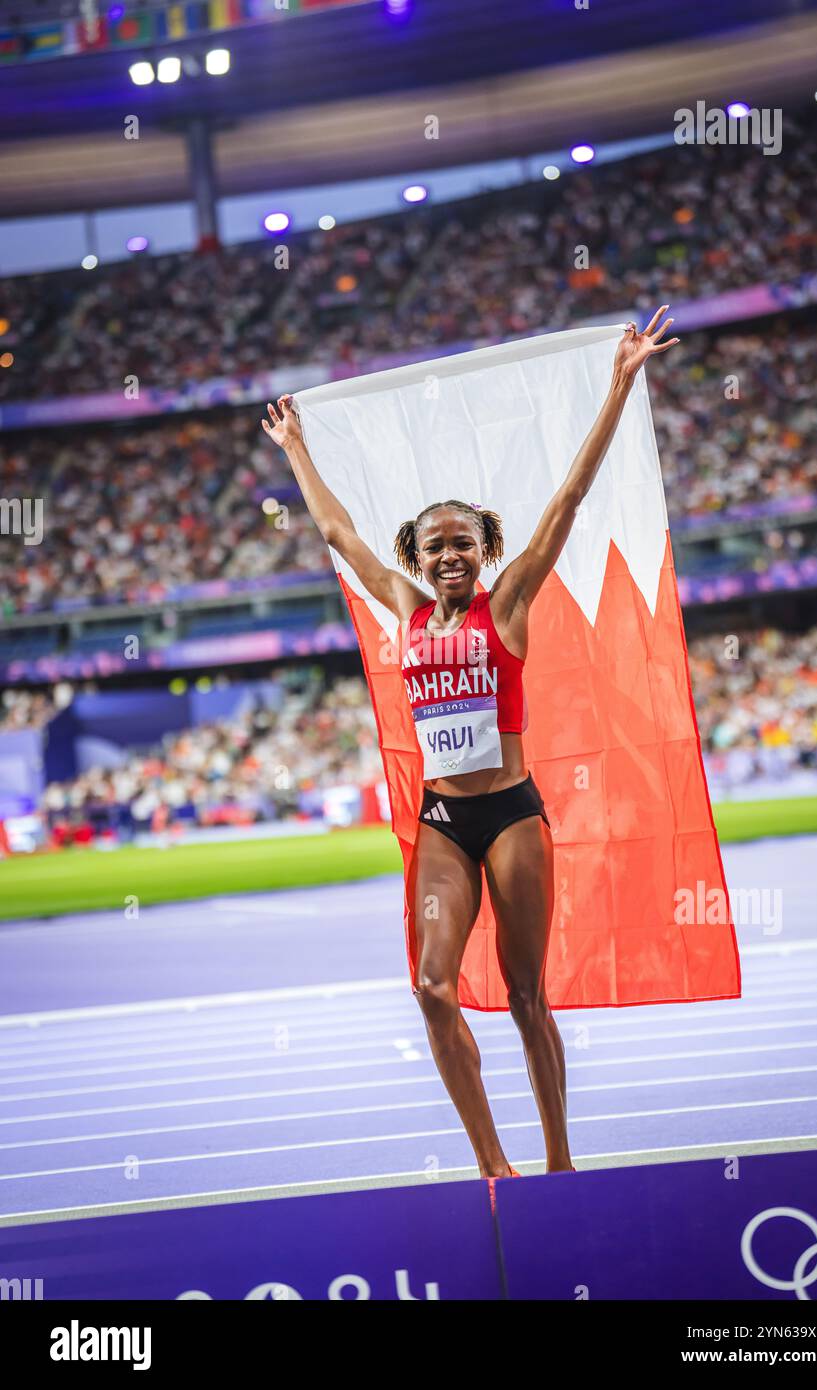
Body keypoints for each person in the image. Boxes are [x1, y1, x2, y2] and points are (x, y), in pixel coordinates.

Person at [262, 306, 679, 1197]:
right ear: (415, 557)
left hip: (513, 813)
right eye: (433, 545)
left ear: (485, 552)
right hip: (446, 819)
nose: (449, 555)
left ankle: (561, 1163)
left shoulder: (511, 604)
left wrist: (620, 384)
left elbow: (568, 498)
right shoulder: (405, 611)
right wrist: (295, 447)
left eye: (463, 542)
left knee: (529, 999)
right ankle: (494, 1162)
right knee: (431, 986)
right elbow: (338, 534)